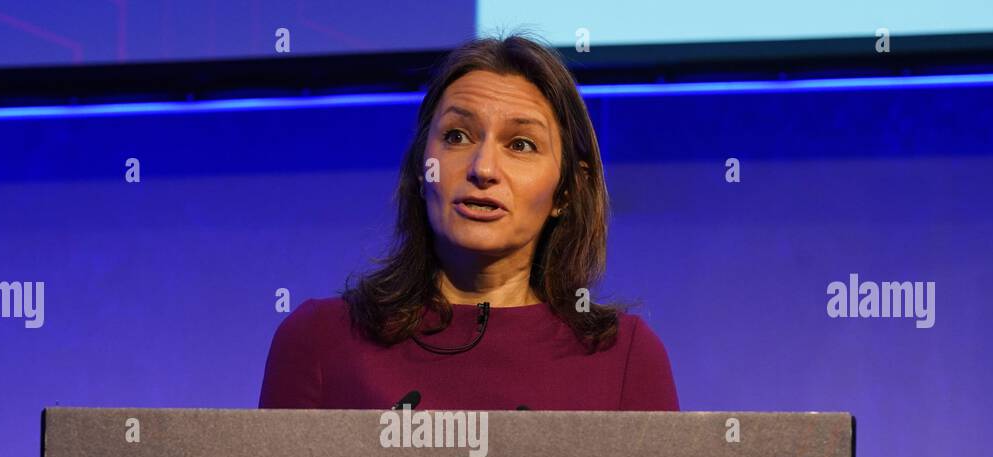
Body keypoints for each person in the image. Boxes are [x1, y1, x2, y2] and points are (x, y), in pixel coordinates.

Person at [258, 32, 679, 412]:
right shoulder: (319, 340)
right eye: (457, 136)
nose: (483, 168)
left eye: (521, 144)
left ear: (565, 192)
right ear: (423, 169)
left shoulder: (624, 356)